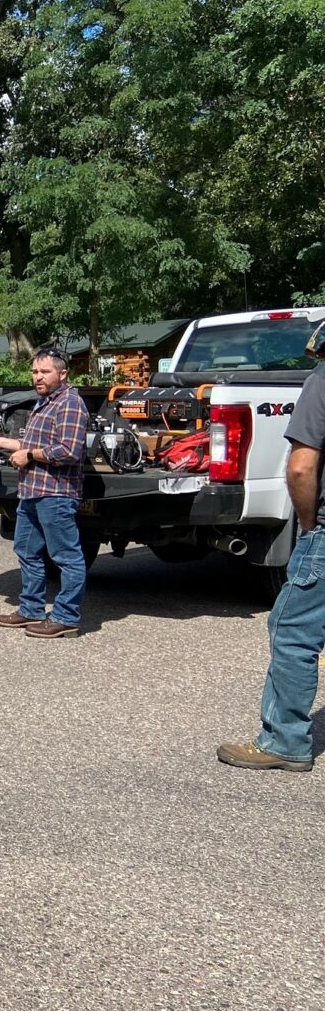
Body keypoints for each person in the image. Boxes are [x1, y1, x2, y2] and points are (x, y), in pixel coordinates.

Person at [218, 323, 325, 773]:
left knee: (293, 630)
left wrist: (307, 524)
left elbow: (302, 468)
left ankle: (284, 740)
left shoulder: (321, 382)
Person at [0, 347, 89, 639]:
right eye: (35, 371)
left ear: (62, 373)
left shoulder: (69, 403)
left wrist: (29, 455)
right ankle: (31, 609)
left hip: (56, 494)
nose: (38, 377)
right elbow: (34, 441)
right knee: (27, 551)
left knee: (66, 557)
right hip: (32, 491)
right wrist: (4, 443)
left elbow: (69, 451)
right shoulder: (44, 402)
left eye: (45, 372)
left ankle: (66, 617)